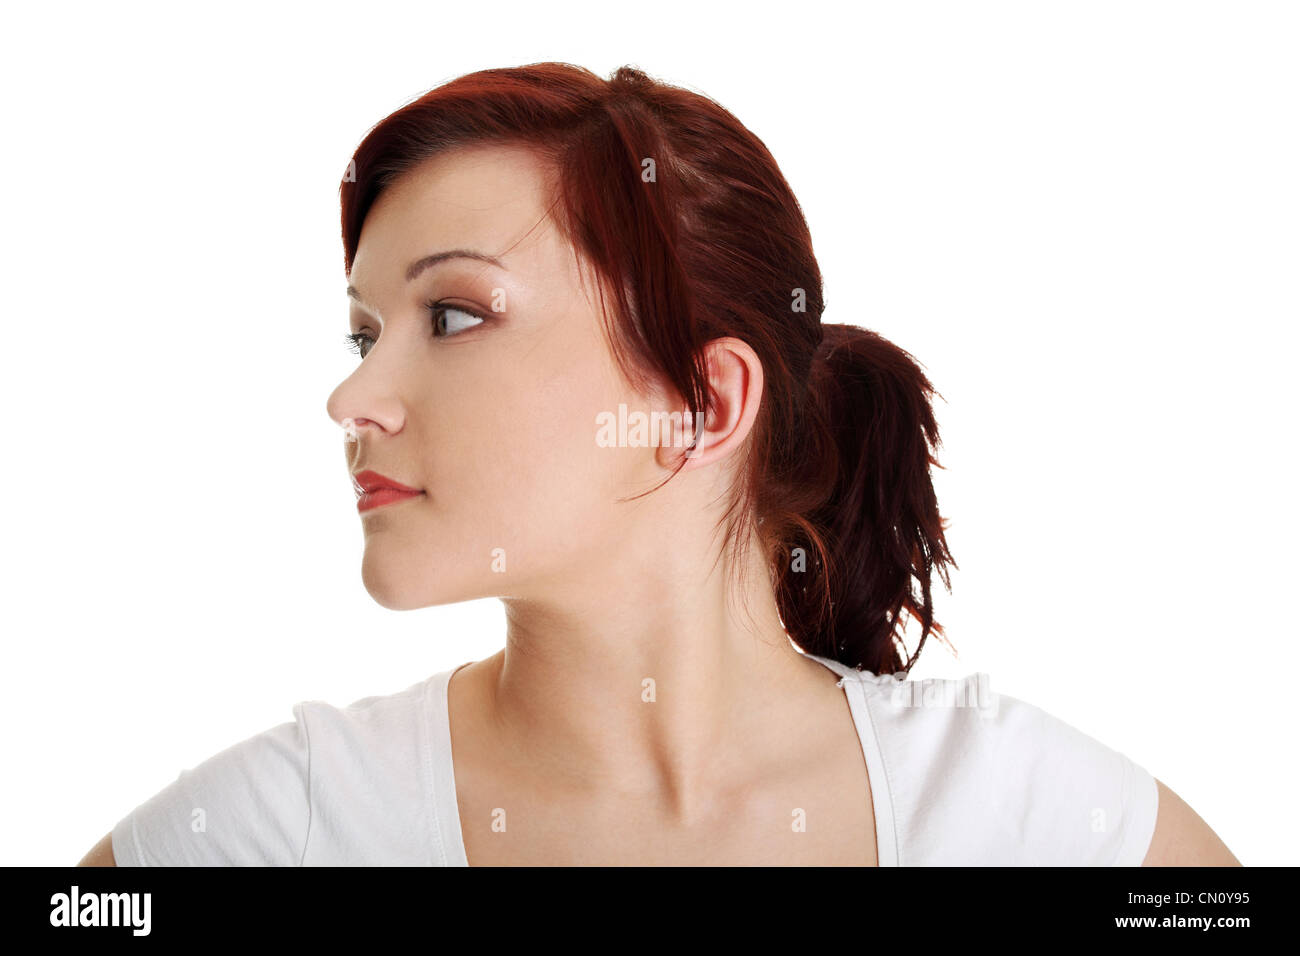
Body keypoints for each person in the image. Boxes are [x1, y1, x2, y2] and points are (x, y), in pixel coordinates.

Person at [80, 62, 1239, 866]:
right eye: (365, 332)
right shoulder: (286, 824)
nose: (352, 397)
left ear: (701, 400)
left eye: (454, 314)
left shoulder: (1022, 815)